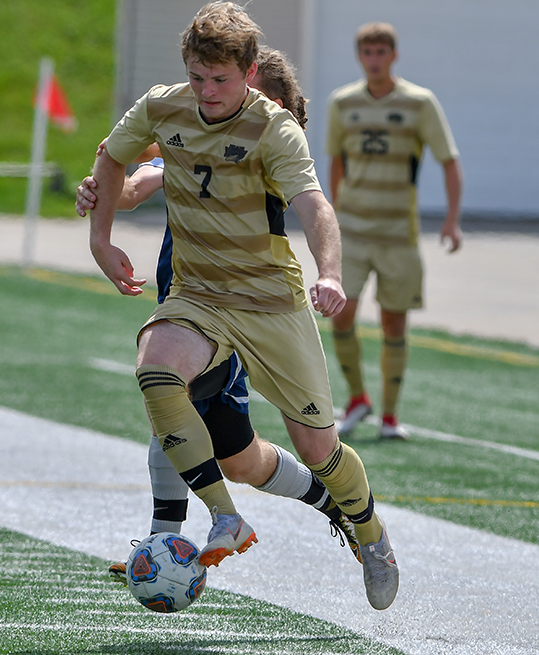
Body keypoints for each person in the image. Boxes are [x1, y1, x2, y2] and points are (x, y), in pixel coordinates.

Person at [88, 1, 398, 610]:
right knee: (156, 369)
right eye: (197, 76)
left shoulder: (275, 128)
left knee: (318, 449)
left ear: (250, 72)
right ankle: (224, 518)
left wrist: (330, 273)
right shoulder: (162, 106)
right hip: (198, 294)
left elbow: (315, 206)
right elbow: (113, 159)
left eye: (220, 79)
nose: (206, 91)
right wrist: (101, 238)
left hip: (270, 302)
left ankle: (371, 533)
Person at [325, 22, 463, 440]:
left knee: (394, 323)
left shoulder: (419, 102)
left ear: (394, 55)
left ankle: (389, 416)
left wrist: (452, 219)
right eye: (367, 52)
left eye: (381, 51)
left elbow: (449, 160)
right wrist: (333, 214)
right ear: (359, 56)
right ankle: (356, 398)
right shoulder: (343, 102)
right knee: (341, 313)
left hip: (399, 233)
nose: (374, 59)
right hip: (353, 230)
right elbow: (335, 161)